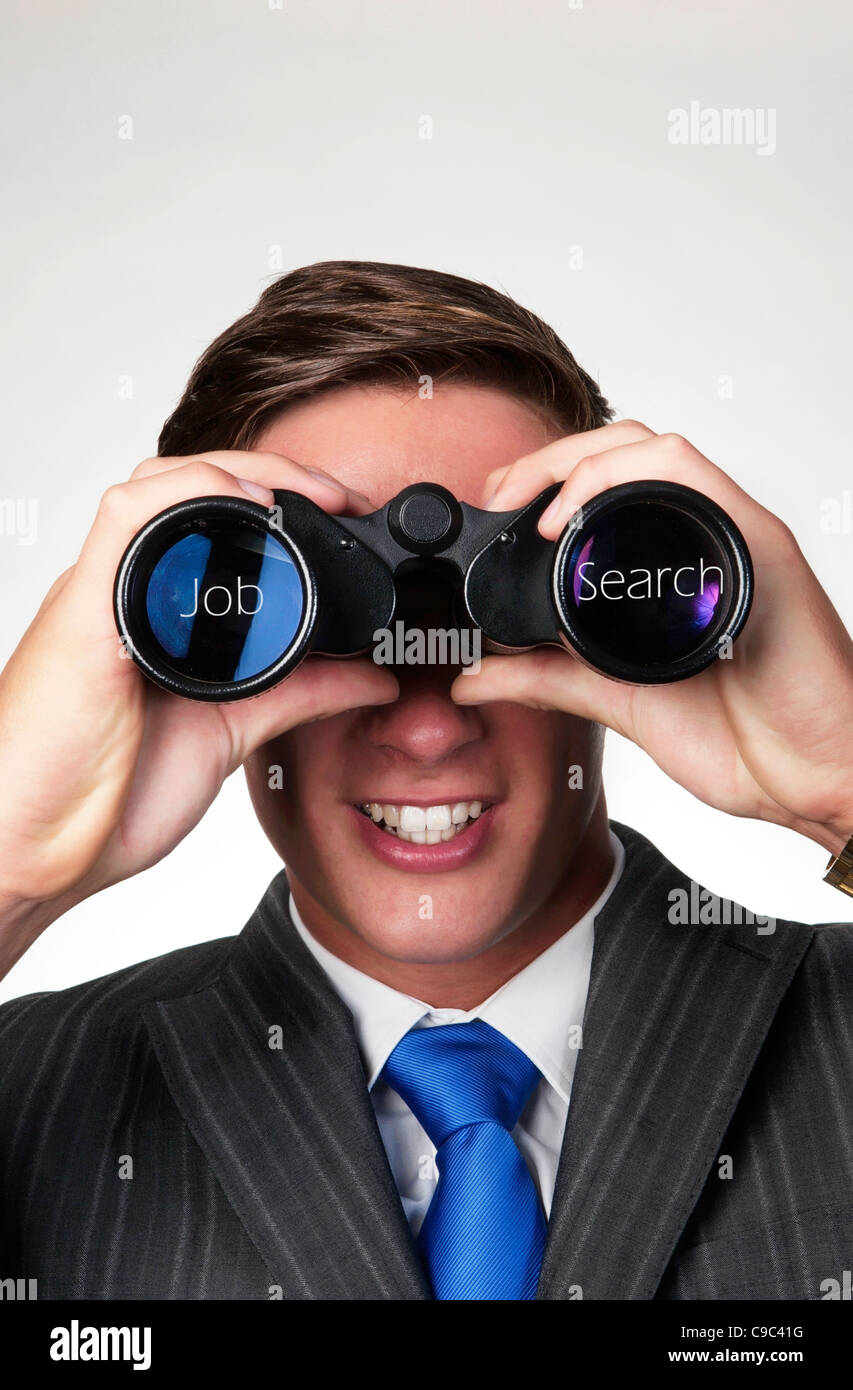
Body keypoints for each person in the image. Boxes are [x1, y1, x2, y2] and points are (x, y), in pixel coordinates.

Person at [1, 261, 852, 1301]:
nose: (424, 720)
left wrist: (839, 776)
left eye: (499, 609)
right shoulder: (32, 1083)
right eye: (323, 622)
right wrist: (12, 870)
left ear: (606, 617)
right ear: (198, 642)